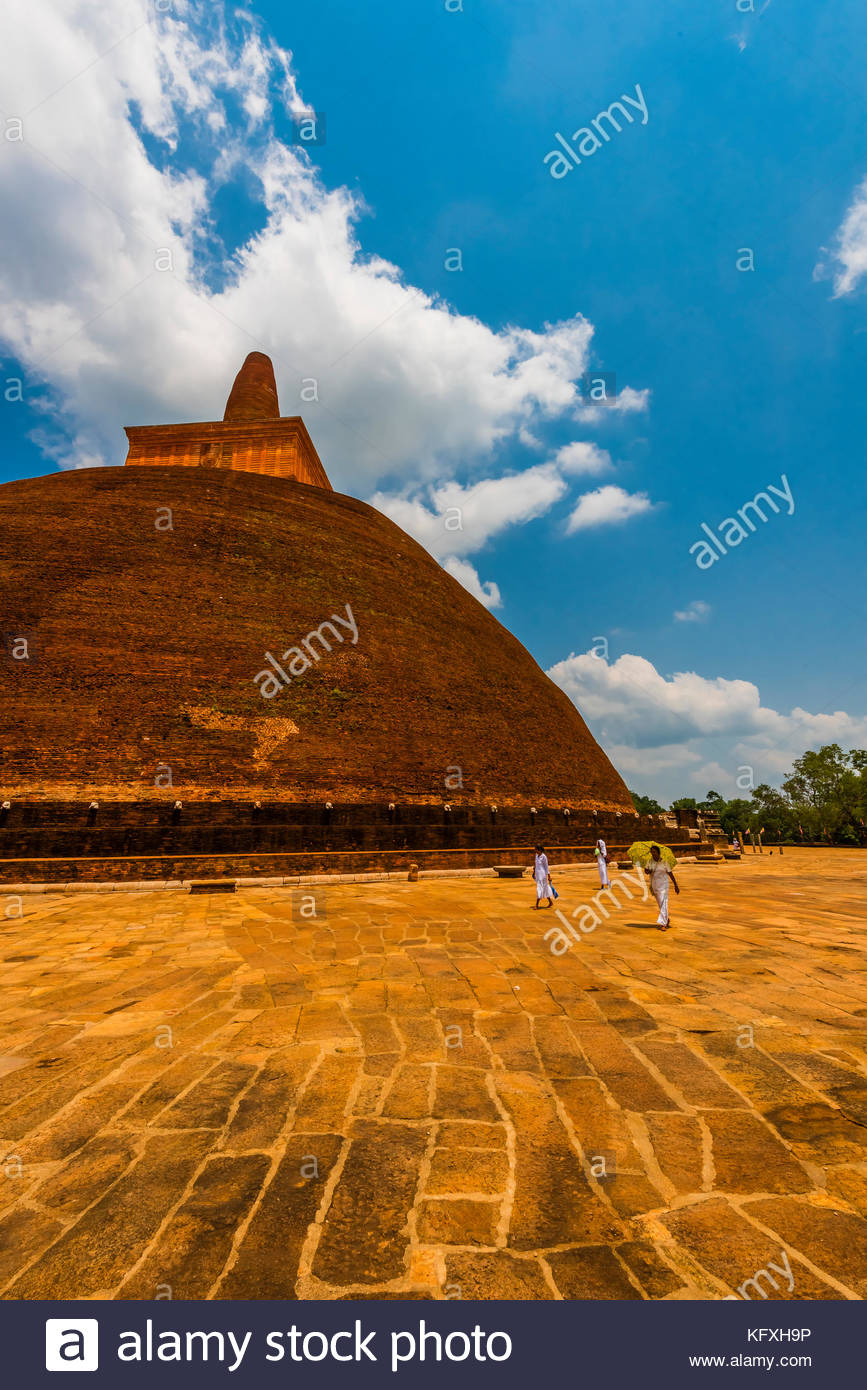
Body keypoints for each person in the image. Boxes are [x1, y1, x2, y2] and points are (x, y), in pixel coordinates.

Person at [645, 843, 679, 930]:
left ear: (658, 852)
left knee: (664, 903)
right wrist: (648, 870)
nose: (653, 854)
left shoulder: (664, 862)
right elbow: (646, 871)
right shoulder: (649, 861)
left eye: (655, 852)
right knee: (660, 903)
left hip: (664, 885)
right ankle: (666, 919)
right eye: (652, 852)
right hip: (654, 885)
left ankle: (663, 924)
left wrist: (675, 885)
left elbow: (670, 873)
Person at [532, 844, 554, 909]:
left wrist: (549, 876)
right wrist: (534, 872)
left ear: (539, 850)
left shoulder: (544, 857)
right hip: (538, 875)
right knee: (544, 888)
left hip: (543, 875)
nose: (534, 850)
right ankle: (550, 902)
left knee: (539, 888)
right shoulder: (536, 855)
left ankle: (536, 905)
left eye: (535, 849)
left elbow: (546, 867)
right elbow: (536, 864)